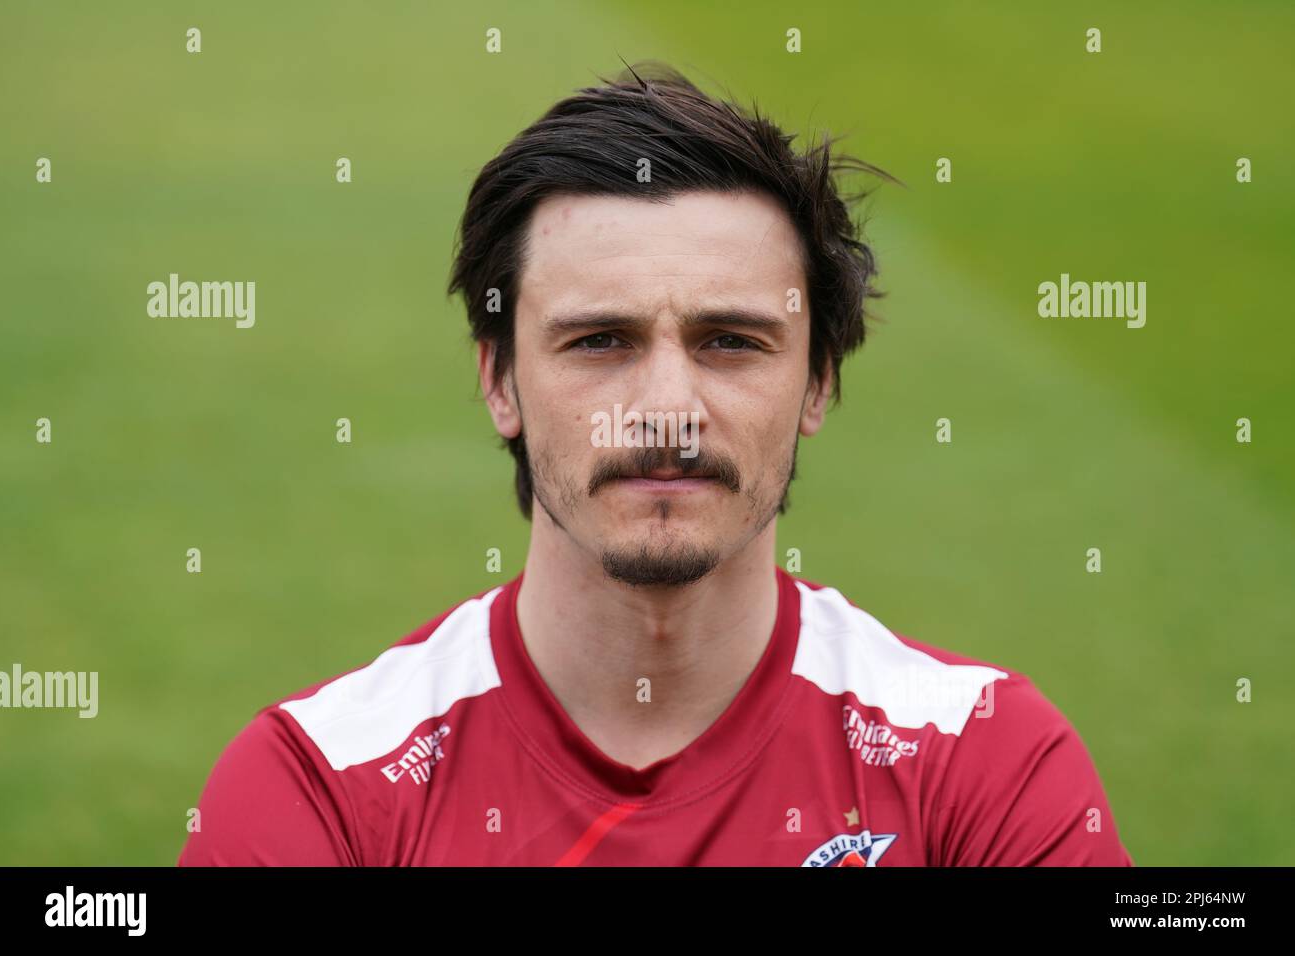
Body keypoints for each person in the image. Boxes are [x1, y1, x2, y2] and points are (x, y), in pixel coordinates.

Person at [180, 63, 1132, 866]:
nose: (669, 411)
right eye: (599, 341)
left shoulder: (983, 766)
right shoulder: (322, 792)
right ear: (500, 380)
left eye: (731, 341)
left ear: (818, 384)